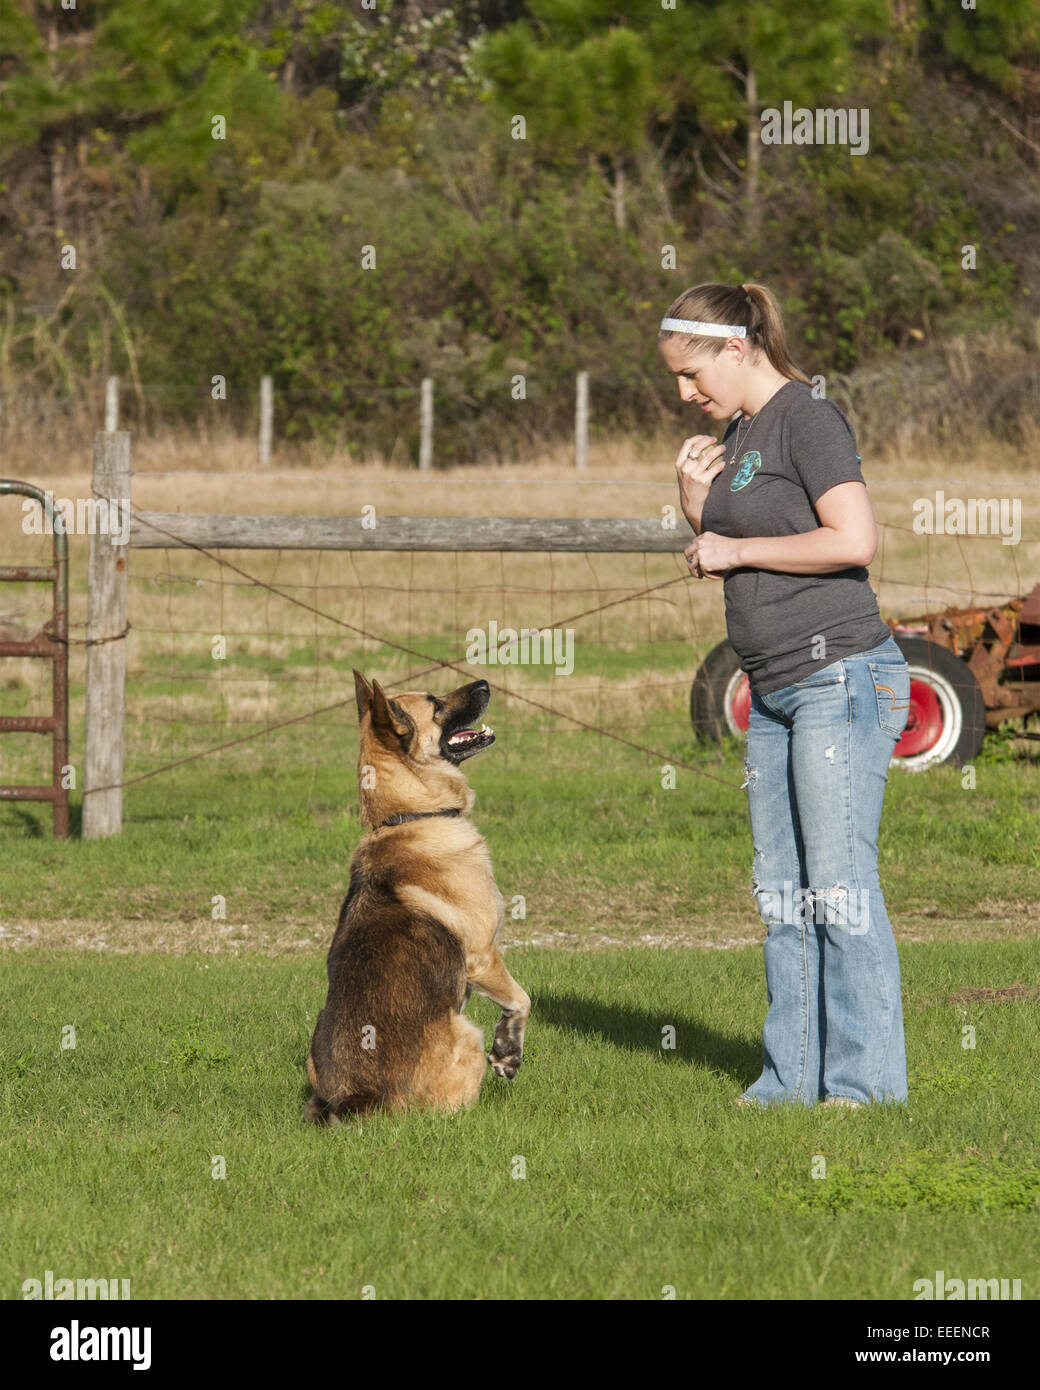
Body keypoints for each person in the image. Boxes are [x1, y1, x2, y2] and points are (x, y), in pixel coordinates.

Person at [659, 281, 911, 1109]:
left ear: (737, 347)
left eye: (693, 375)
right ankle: (789, 1081)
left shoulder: (808, 417)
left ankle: (865, 1090)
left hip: (840, 675)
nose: (685, 394)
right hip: (771, 688)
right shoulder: (739, 433)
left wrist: (729, 550)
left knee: (838, 887)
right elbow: (746, 543)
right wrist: (699, 513)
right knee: (782, 893)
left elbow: (854, 539)